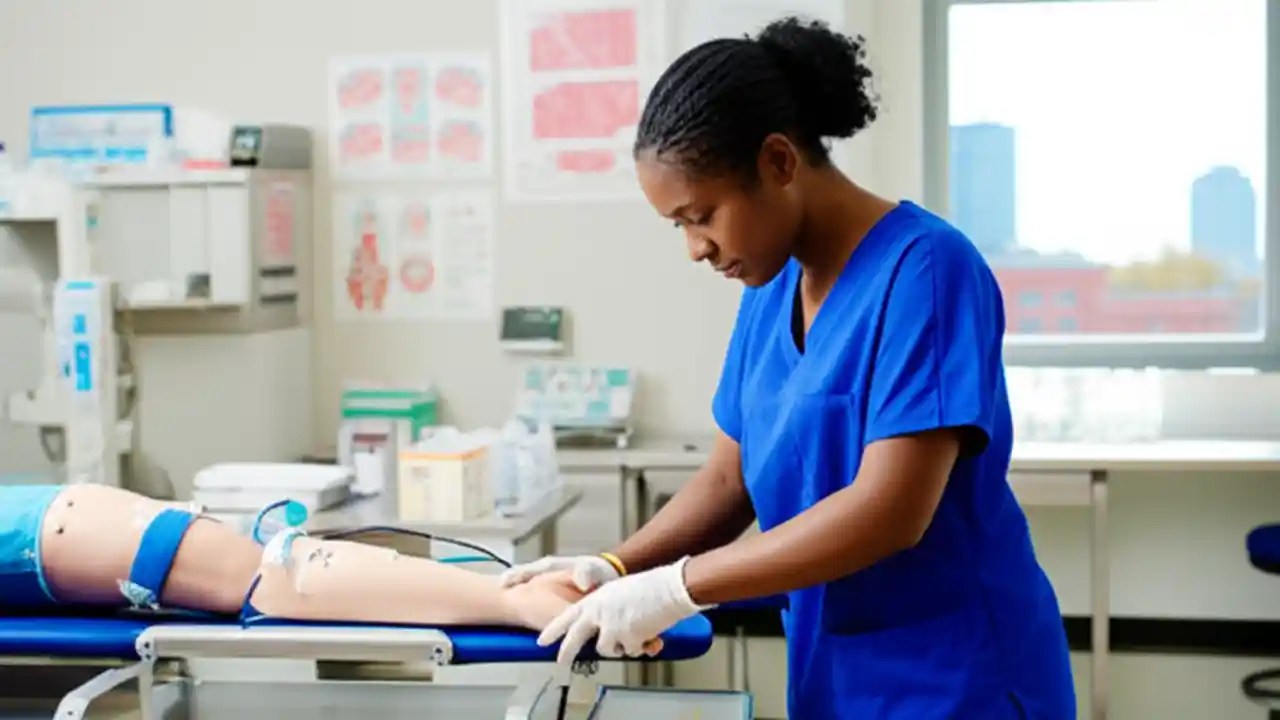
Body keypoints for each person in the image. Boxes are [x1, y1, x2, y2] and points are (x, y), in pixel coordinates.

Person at [501, 16, 1076, 719]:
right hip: (832, 671)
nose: (695, 248)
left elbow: (889, 510)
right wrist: (617, 566)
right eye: (678, 225)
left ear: (778, 162)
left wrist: (678, 587)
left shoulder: (926, 270)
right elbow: (725, 481)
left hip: (957, 676)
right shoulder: (771, 288)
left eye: (701, 214)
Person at [0, 482, 589, 635]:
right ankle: (515, 600)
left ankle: (516, 602)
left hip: (50, 535)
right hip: (56, 531)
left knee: (275, 575)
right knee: (272, 572)